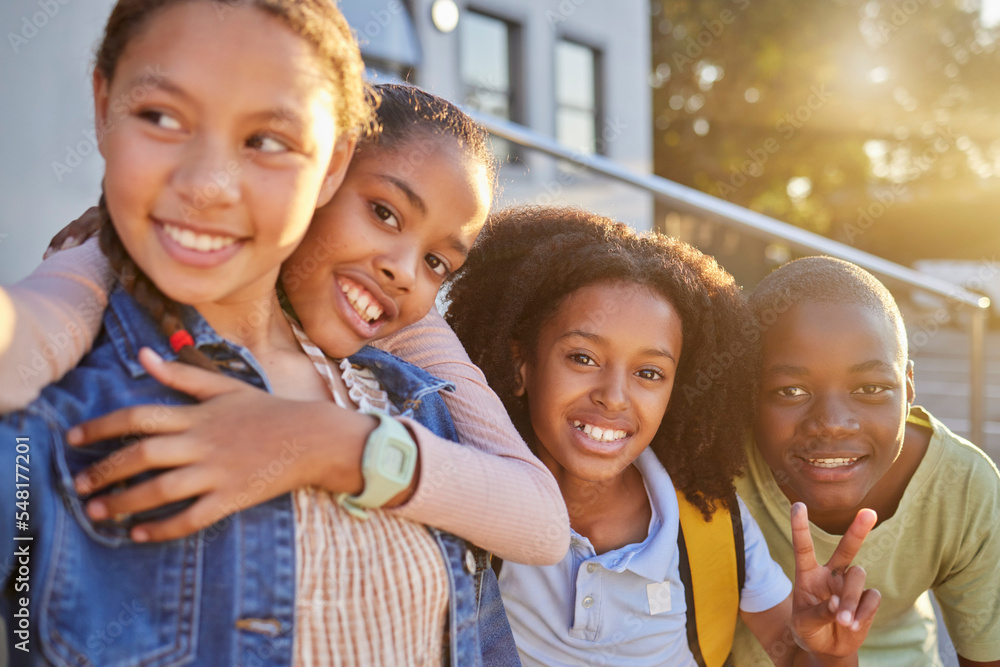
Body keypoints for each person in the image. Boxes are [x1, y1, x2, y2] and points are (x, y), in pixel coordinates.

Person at [0, 3, 546, 665]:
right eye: (383, 212)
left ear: (328, 165)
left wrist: (327, 442)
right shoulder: (71, 404)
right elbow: (37, 327)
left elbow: (539, 523)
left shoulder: (416, 388)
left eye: (438, 262)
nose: (207, 186)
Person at [444, 206, 881, 667]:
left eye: (649, 373)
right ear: (521, 364)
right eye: (583, 358)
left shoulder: (712, 524)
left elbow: (794, 657)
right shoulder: (474, 498)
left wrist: (829, 652)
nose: (614, 397)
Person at [731, 256, 1000, 667]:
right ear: (748, 393)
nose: (833, 423)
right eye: (791, 391)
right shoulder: (713, 467)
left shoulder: (965, 487)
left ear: (908, 387)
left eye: (870, 388)